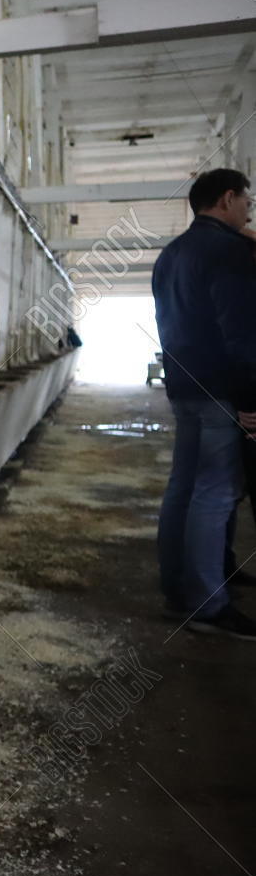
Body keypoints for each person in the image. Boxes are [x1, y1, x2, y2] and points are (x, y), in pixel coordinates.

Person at [153, 168, 256, 639]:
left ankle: (180, 586)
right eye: (247, 202)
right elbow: (239, 331)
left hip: (183, 385)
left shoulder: (171, 254)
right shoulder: (229, 252)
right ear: (227, 198)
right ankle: (208, 604)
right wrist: (250, 395)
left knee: (185, 486)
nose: (249, 211)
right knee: (216, 493)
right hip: (220, 387)